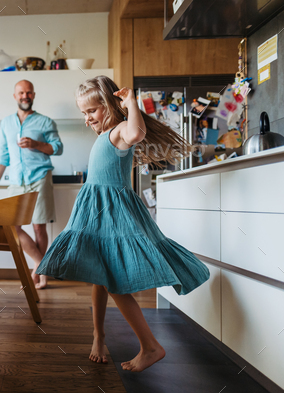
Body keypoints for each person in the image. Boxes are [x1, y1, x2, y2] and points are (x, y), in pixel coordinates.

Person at [36, 76, 210, 372]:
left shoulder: (120, 131)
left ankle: (151, 346)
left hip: (113, 213)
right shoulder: (104, 135)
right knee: (99, 273)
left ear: (108, 106)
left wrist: (131, 103)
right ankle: (98, 336)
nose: (87, 119)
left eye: (91, 111)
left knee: (113, 279)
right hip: (96, 211)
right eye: (83, 113)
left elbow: (137, 133)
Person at [0, 80, 63, 289]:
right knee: (12, 227)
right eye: (21, 93)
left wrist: (36, 144)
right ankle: (42, 264)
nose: (25, 96)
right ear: (15, 96)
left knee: (38, 227)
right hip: (16, 181)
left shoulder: (45, 122)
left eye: (28, 93)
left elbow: (58, 148)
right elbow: (4, 154)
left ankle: (42, 276)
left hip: (40, 178)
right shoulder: (6, 123)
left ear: (33, 95)